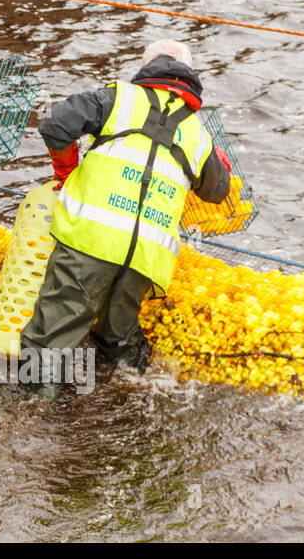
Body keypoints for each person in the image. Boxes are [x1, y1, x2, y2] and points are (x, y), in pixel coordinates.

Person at [20, 39, 232, 397]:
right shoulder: (198, 134)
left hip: (91, 241)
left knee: (51, 336)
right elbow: (217, 191)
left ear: (146, 68)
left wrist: (66, 171)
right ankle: (133, 392)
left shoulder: (116, 98)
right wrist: (219, 163)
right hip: (145, 257)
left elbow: (56, 126)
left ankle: (35, 412)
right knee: (117, 332)